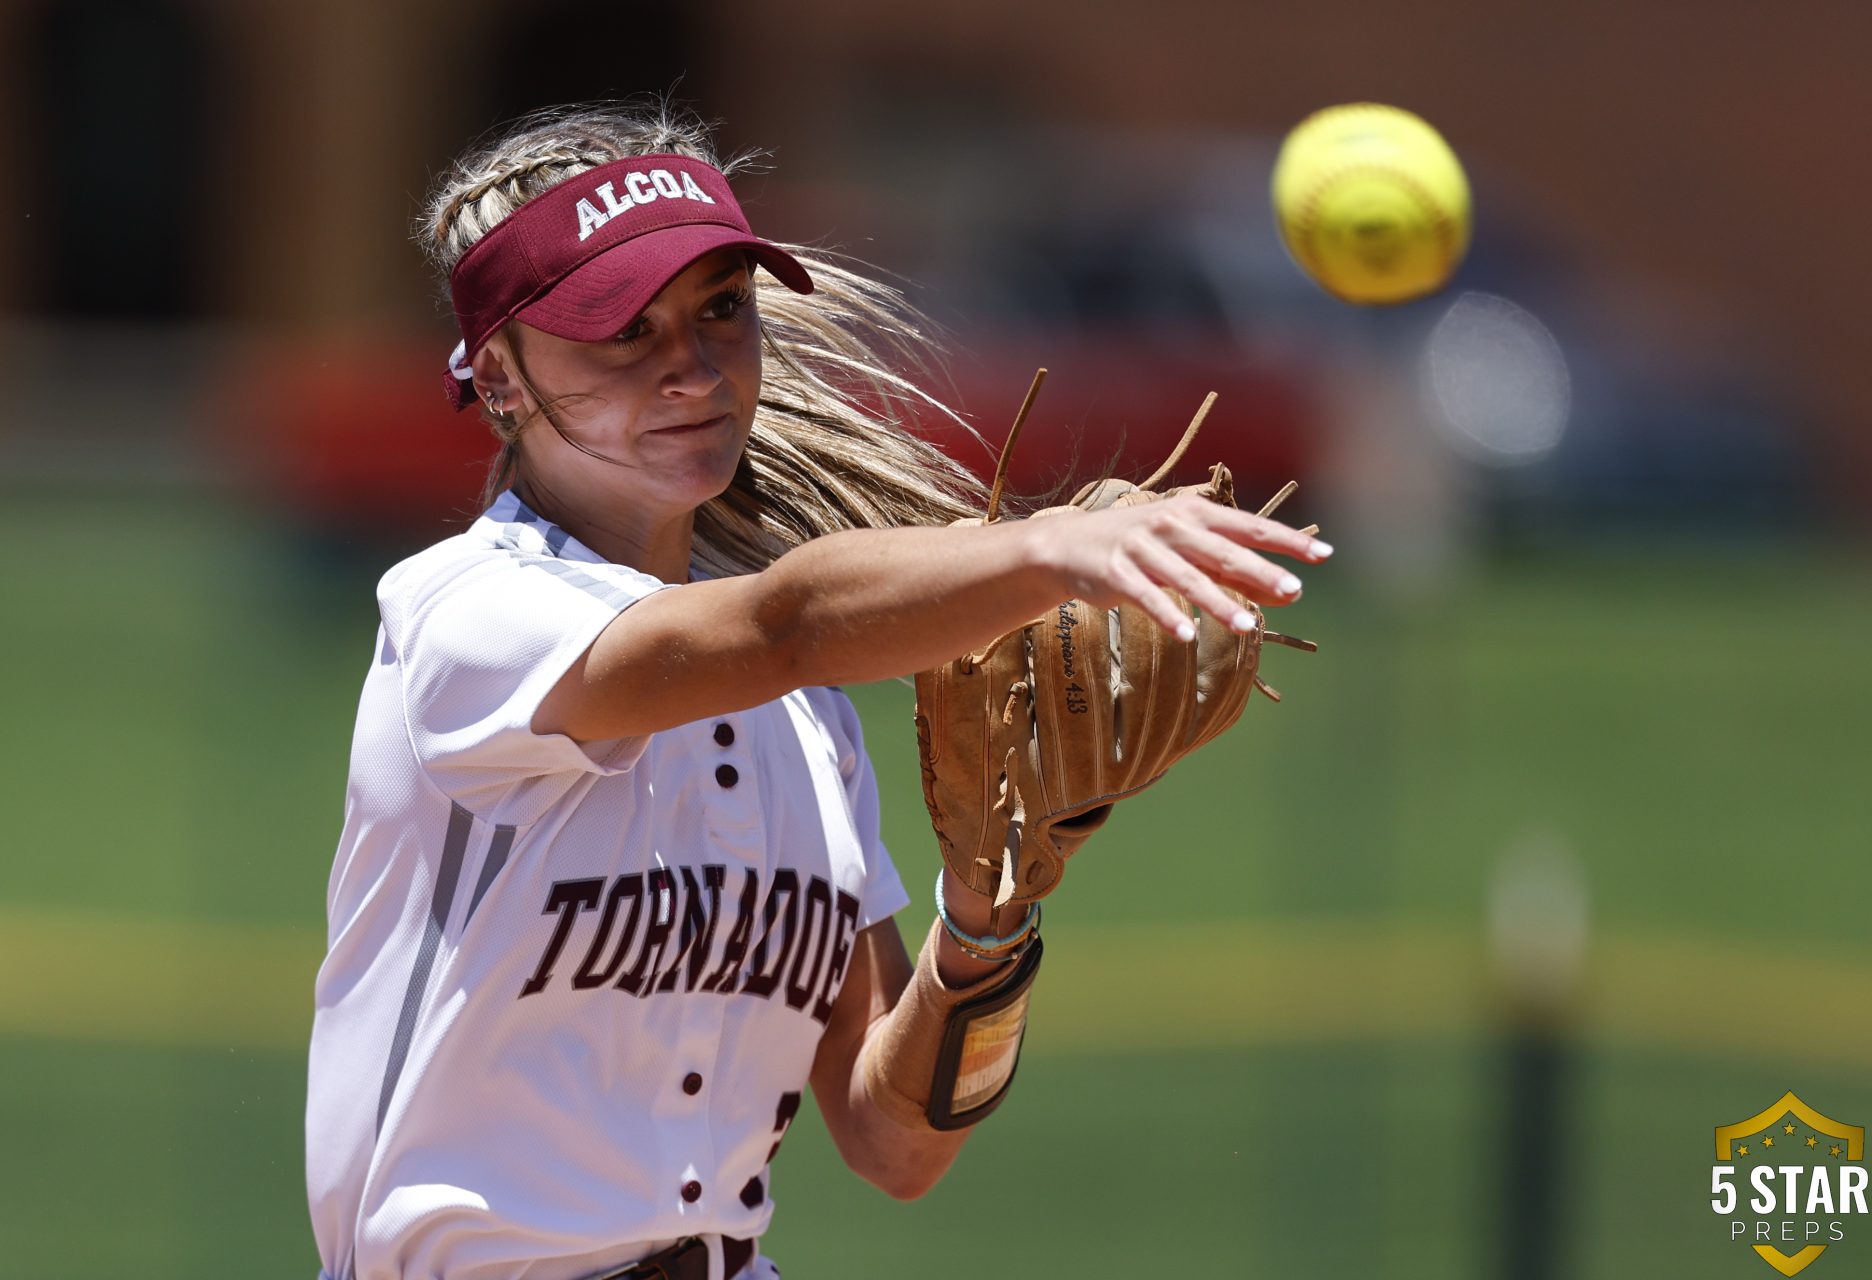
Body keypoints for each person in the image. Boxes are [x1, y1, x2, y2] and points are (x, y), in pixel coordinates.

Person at [304, 101, 1329, 1280]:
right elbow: (783, 622)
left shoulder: (805, 724)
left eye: (722, 308)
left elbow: (893, 1140)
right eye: (623, 329)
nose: (693, 366)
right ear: (500, 378)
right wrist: (1048, 549)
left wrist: (987, 915)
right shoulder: (469, 617)